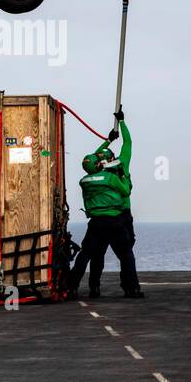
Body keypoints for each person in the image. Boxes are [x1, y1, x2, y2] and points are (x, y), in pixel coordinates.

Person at [69, 109, 143, 300]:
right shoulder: (121, 166)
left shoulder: (93, 175)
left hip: (98, 220)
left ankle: (90, 287)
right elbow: (128, 144)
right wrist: (123, 122)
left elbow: (93, 161)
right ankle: (130, 288)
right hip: (121, 216)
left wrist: (108, 140)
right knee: (126, 254)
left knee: (95, 254)